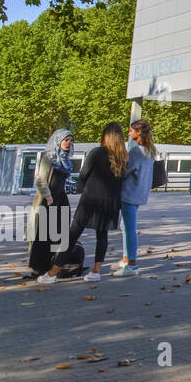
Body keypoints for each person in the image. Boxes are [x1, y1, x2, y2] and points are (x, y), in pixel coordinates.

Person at [38, 122, 126, 284]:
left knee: (72, 236)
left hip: (91, 200)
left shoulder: (97, 152)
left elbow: (84, 174)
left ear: (106, 136)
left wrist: (80, 188)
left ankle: (52, 274)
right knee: (102, 237)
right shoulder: (123, 156)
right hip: (112, 203)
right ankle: (96, 272)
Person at [27, 129, 73, 275]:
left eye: (71, 140)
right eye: (66, 140)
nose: (69, 143)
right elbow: (41, 180)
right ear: (58, 141)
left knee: (60, 232)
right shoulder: (48, 158)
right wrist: (48, 197)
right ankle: (38, 266)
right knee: (44, 233)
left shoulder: (66, 160)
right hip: (48, 199)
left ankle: (55, 264)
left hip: (61, 198)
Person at [116, 118, 157, 276]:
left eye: (131, 130)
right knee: (125, 226)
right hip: (140, 193)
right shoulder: (150, 150)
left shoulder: (136, 151)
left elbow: (125, 171)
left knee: (129, 228)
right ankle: (126, 259)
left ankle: (131, 265)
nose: (129, 132)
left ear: (139, 132)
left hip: (129, 193)